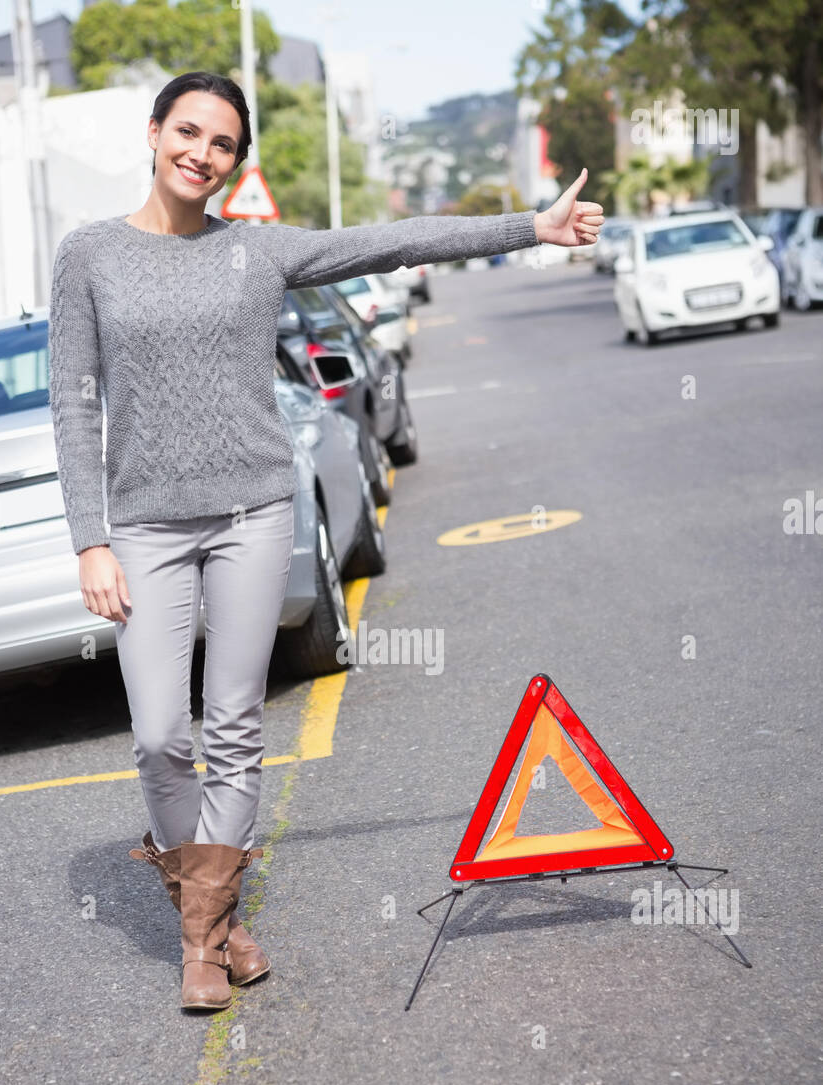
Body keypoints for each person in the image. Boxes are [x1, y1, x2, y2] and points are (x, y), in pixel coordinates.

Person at [47, 70, 604, 1014]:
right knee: (155, 737)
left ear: (236, 160)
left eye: (222, 144)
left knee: (232, 725)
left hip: (254, 513)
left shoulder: (256, 253)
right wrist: (90, 540)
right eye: (187, 133)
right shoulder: (90, 254)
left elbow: (388, 240)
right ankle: (221, 924)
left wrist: (530, 227)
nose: (202, 155)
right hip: (143, 526)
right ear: (153, 135)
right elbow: (73, 398)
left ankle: (199, 944)